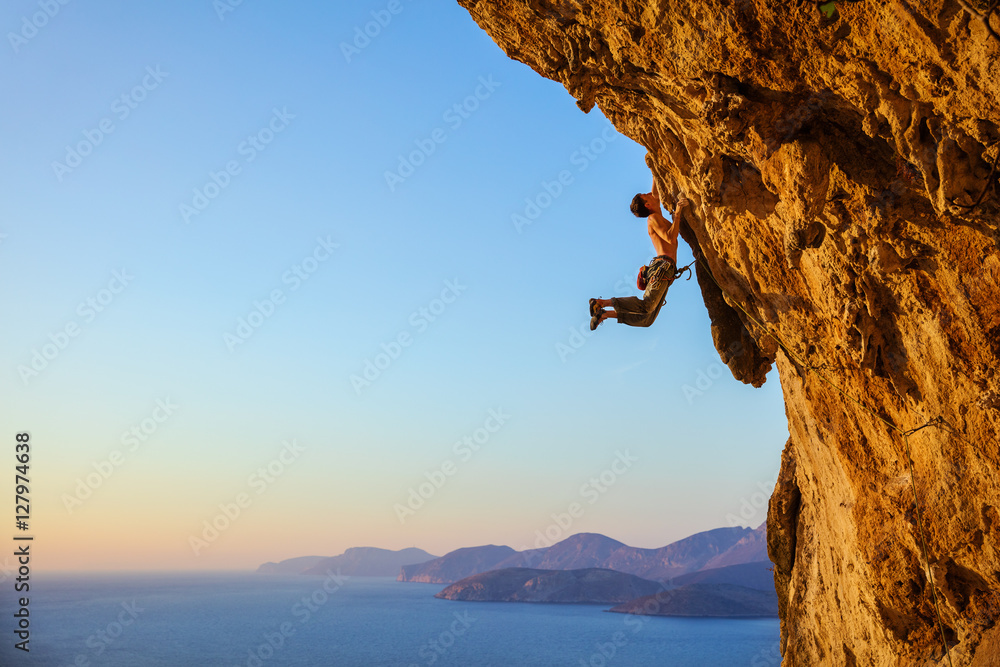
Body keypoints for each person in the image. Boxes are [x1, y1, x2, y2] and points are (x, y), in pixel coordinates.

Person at [589, 180, 689, 330]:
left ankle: (604, 314)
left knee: (647, 319)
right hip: (662, 267)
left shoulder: (657, 215)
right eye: (646, 195)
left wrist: (653, 167)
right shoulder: (653, 219)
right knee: (647, 306)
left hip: (665, 269)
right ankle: (603, 303)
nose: (650, 193)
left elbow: (655, 191)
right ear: (647, 205)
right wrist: (678, 212)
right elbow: (670, 237)